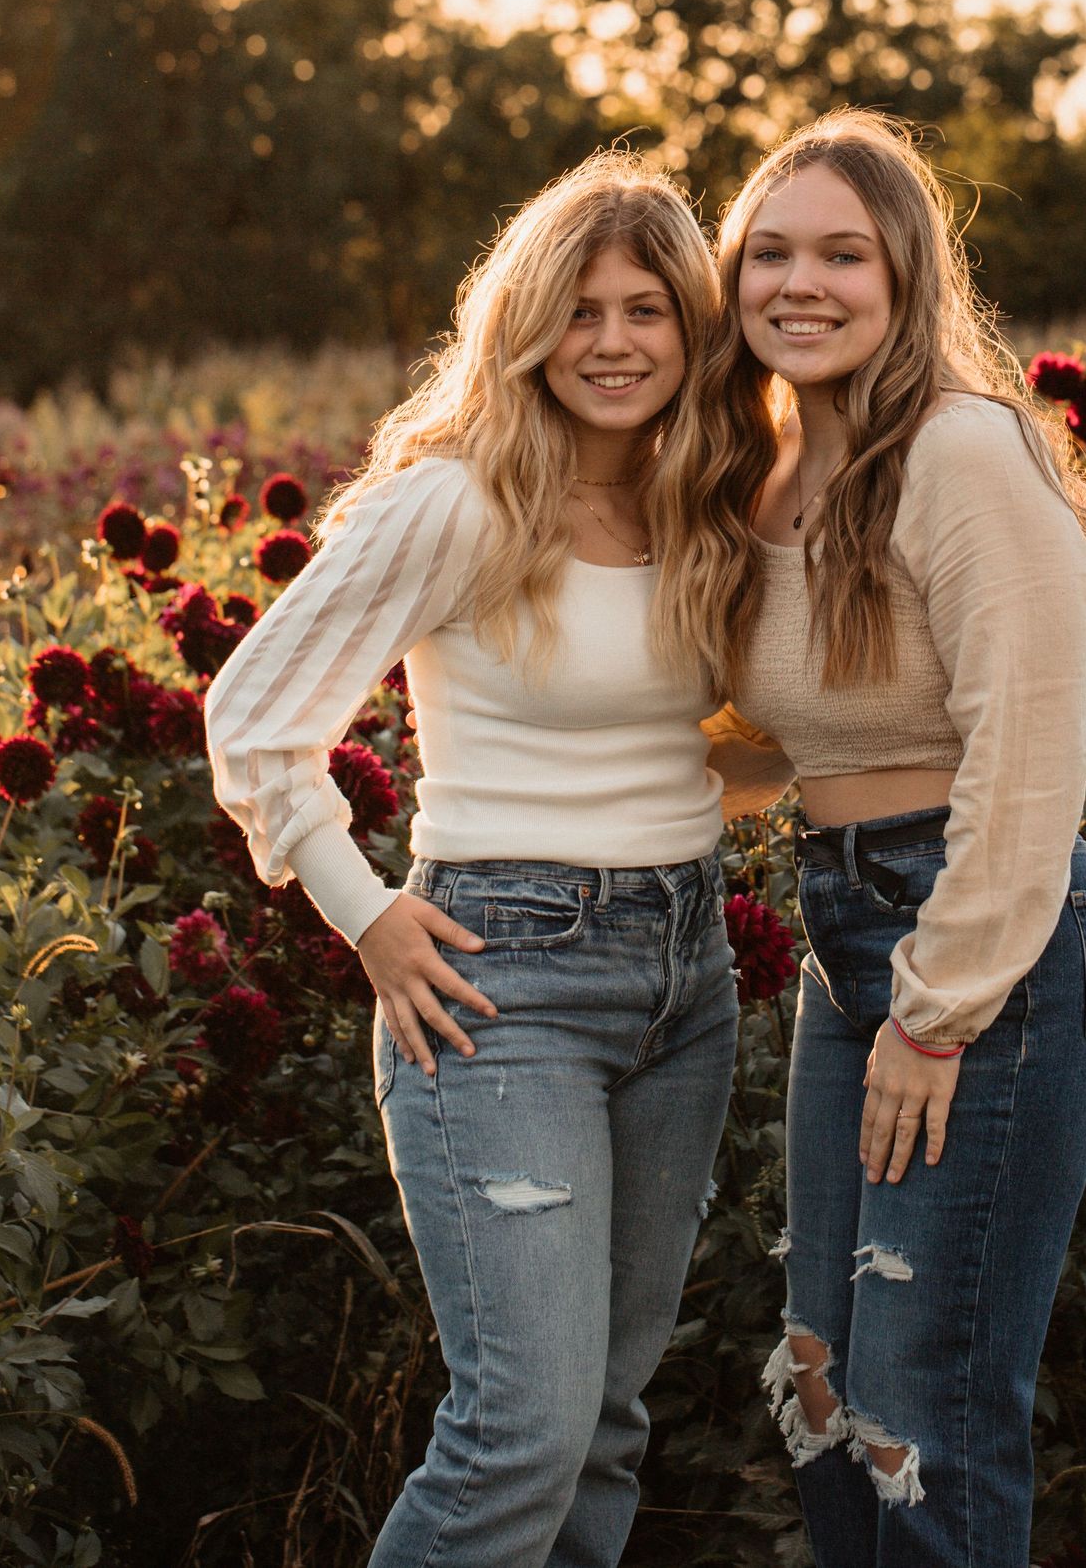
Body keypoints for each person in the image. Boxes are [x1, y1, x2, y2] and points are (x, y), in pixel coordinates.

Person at [205, 154, 749, 1568]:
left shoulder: (708, 502)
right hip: (502, 979)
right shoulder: (460, 503)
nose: (615, 341)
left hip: (691, 976)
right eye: (580, 311)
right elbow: (255, 717)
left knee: (606, 1427)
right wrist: (366, 912)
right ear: (527, 326)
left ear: (695, 327)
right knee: (520, 1429)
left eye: (647, 308)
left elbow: (729, 741)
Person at [687, 110, 1086, 1567]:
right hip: (847, 943)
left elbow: (1025, 755)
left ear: (908, 278)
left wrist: (938, 1015)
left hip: (990, 955)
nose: (798, 283)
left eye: (842, 253)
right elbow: (789, 744)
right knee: (826, 1386)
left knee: (922, 1412)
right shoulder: (769, 476)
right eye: (768, 252)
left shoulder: (960, 451)